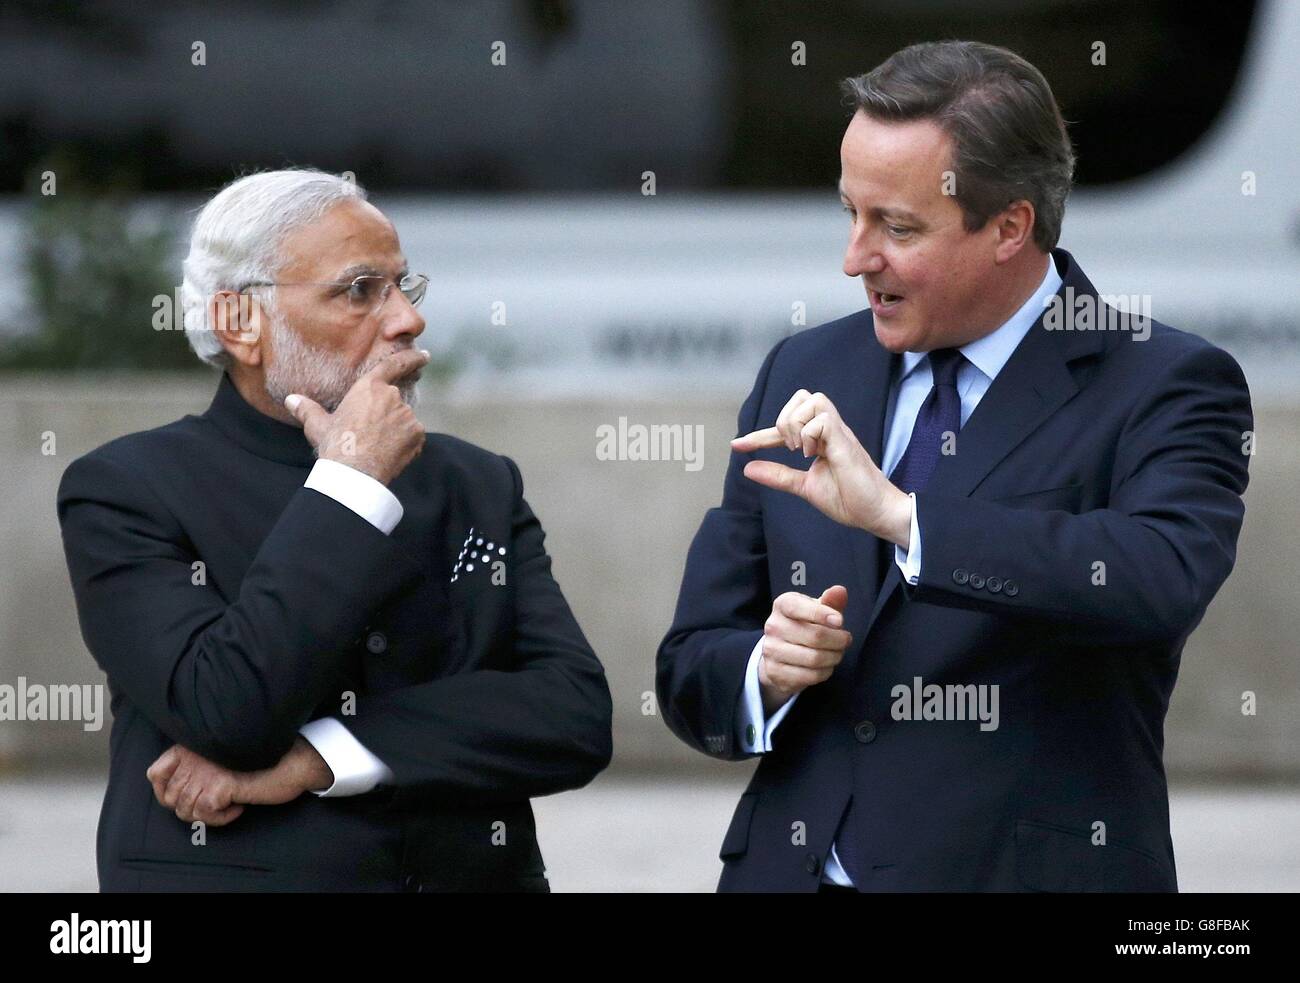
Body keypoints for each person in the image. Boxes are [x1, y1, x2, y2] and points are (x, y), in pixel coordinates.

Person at [656, 41, 1252, 892]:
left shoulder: (1165, 381)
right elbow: (688, 666)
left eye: (897, 227)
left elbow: (1158, 578)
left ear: (1010, 226)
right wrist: (766, 671)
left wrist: (905, 520)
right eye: (850, 213)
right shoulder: (804, 368)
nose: (855, 257)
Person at [57, 169, 612, 892]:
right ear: (240, 323)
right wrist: (351, 483)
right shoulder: (127, 488)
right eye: (359, 291)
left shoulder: (475, 481)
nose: (406, 320)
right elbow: (226, 708)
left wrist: (320, 756)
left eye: (402, 287)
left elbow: (573, 715)